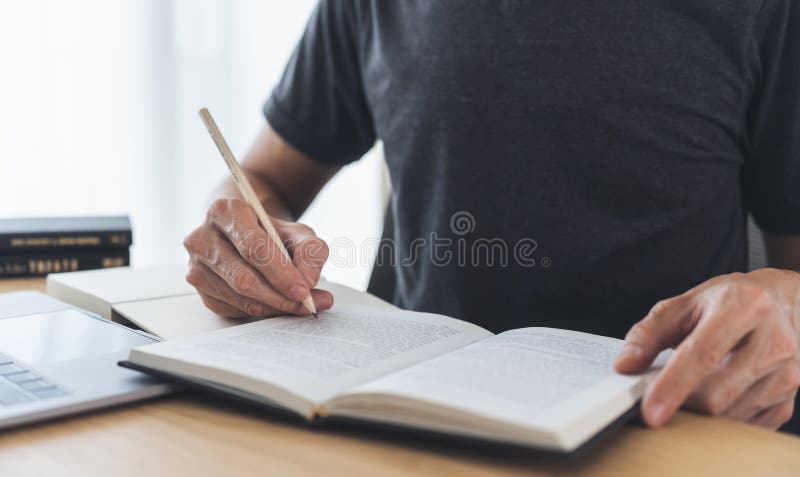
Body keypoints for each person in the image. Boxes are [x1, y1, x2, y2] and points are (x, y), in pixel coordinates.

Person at [183, 1, 800, 433]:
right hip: (405, 426)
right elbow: (264, 179)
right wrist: (244, 239)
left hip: (664, 428)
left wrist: (787, 305)